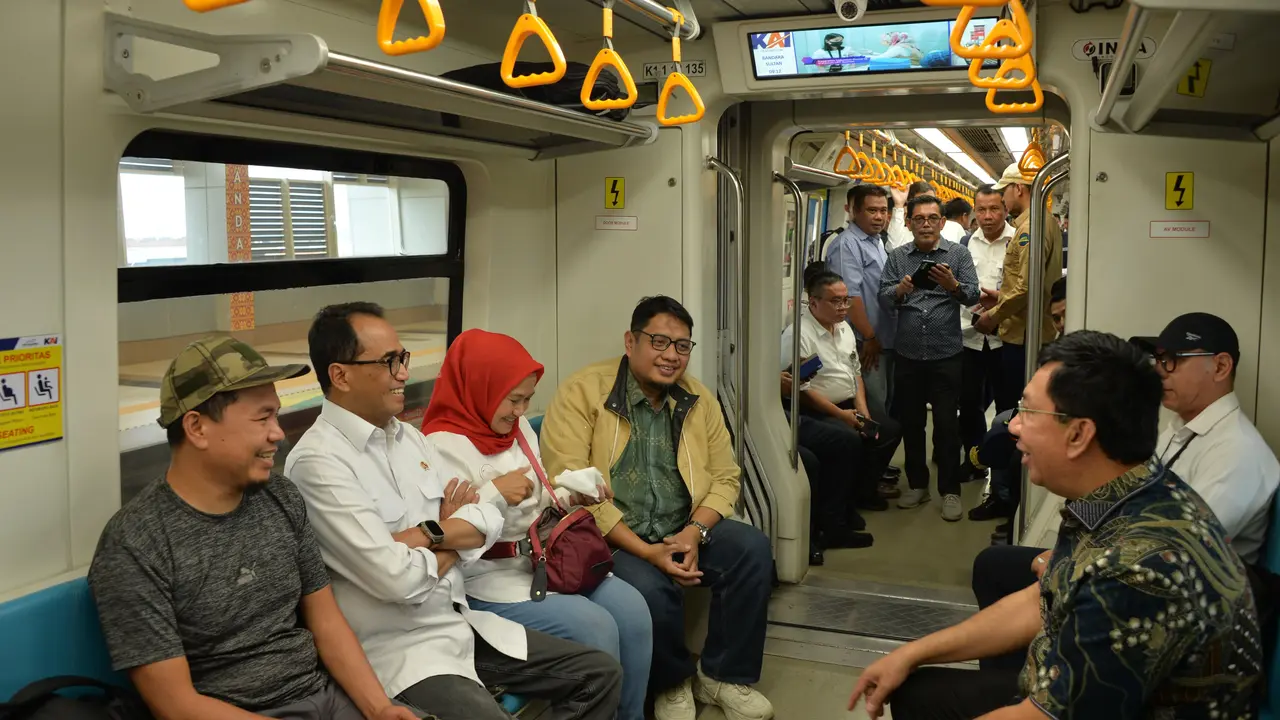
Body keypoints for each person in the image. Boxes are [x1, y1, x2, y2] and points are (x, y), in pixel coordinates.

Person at [850, 331, 1262, 720]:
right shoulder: (1128, 490)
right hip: (1065, 682)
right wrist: (912, 652)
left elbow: (1044, 716)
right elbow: (1043, 599)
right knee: (915, 690)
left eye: (1028, 411)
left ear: (1079, 434)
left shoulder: (1135, 570)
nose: (1013, 425)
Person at [285, 303, 622, 720]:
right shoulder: (319, 463)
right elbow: (398, 581)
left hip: (458, 624)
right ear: (340, 375)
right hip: (400, 652)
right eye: (389, 362)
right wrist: (451, 530)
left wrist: (426, 535)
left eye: (403, 358)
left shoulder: (409, 440)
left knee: (599, 675)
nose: (404, 373)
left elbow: (486, 519)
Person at [87, 336, 419, 720]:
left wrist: (379, 708)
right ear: (197, 427)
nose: (278, 433)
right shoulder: (136, 542)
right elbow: (175, 705)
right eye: (263, 418)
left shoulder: (281, 497)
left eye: (276, 416)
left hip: (322, 694)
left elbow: (326, 621)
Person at [541, 295, 775, 720]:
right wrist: (647, 551)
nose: (671, 356)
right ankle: (672, 681)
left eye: (682, 346)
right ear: (631, 342)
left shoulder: (697, 398)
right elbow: (570, 487)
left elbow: (726, 477)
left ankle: (722, 675)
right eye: (660, 342)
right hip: (611, 536)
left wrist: (693, 533)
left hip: (682, 524)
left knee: (752, 551)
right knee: (650, 588)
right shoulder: (583, 391)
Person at [420, 327, 653, 720]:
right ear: (481, 389)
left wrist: (571, 495)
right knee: (596, 628)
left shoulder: (518, 430)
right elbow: (447, 536)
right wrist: (494, 493)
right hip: (488, 581)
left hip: (546, 563)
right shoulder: (439, 446)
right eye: (513, 399)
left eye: (527, 400)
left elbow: (539, 499)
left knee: (633, 612)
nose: (520, 411)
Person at [879, 195, 980, 521]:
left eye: (932, 218)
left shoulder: (958, 254)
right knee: (912, 424)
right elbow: (883, 297)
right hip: (908, 355)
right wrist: (900, 290)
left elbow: (973, 295)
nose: (926, 224)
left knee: (947, 427)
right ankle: (917, 484)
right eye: (919, 219)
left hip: (946, 355)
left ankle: (950, 491)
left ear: (942, 222)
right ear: (909, 223)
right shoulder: (897, 257)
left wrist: (953, 285)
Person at [782, 265, 903, 528]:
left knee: (887, 430)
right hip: (814, 409)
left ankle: (861, 493)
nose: (843, 307)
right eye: (835, 301)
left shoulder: (844, 328)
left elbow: (854, 372)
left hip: (847, 403)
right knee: (849, 439)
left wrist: (863, 412)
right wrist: (843, 416)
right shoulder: (798, 335)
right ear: (814, 303)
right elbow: (800, 390)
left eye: (846, 300)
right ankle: (837, 512)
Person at [824, 184, 901, 498]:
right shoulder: (847, 246)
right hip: (864, 344)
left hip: (883, 340)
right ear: (853, 211)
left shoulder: (876, 242)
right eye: (871, 210)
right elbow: (850, 297)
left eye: (883, 210)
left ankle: (876, 467)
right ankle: (866, 481)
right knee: (872, 412)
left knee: (885, 406)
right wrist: (868, 336)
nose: (879, 216)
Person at [974, 163, 1064, 412]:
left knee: (1013, 408)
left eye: (1004, 192)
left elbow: (1025, 286)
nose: (1003, 199)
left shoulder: (1030, 228)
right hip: (1030, 328)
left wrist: (993, 316)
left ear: (1018, 189)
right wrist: (1002, 296)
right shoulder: (1043, 222)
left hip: (1024, 334)